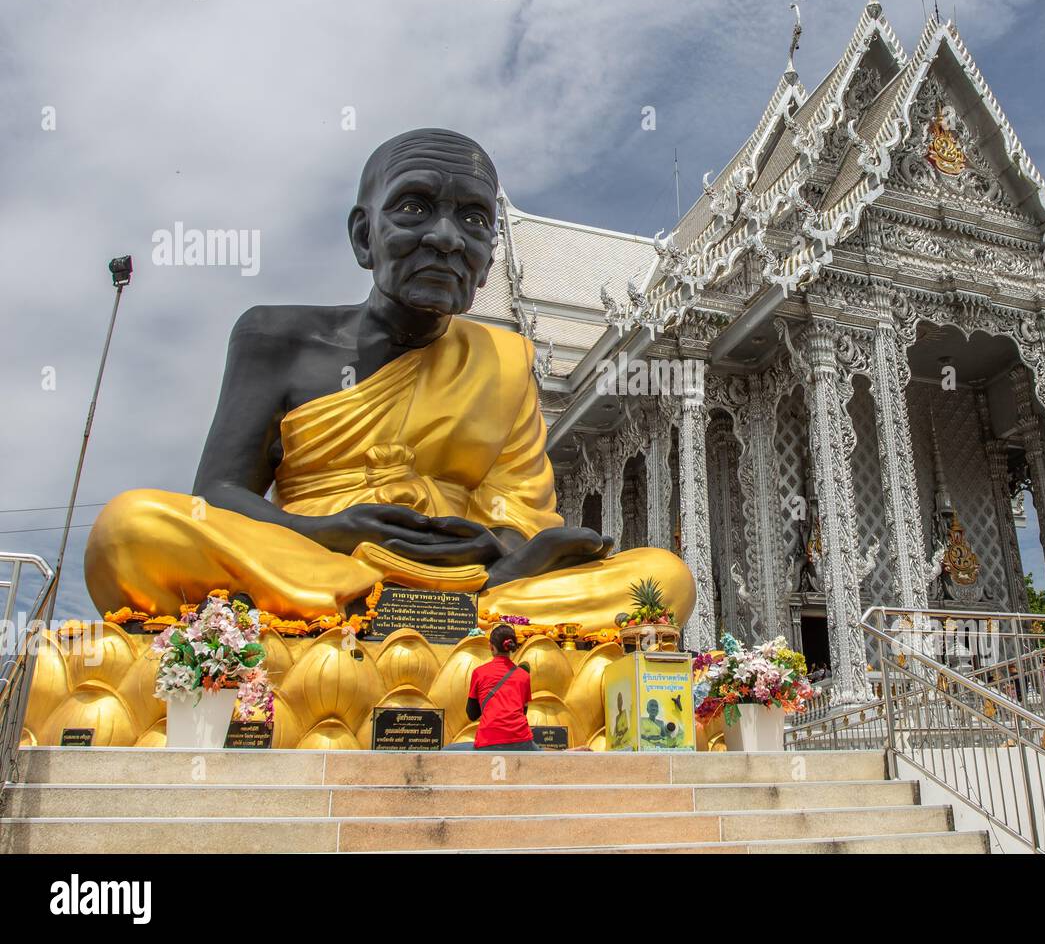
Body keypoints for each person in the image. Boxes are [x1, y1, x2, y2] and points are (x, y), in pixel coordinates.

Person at [83, 128, 694, 630]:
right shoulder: (276, 336)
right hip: (310, 557)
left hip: (472, 581)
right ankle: (391, 619)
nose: (447, 238)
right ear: (362, 236)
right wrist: (325, 532)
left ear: (487, 258)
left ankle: (345, 626)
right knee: (131, 528)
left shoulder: (506, 359)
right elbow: (216, 495)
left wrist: (511, 550)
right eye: (414, 207)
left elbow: (520, 510)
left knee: (661, 578)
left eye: (475, 220)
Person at [464, 624, 538, 751]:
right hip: (521, 740)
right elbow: (523, 712)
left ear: (491, 647)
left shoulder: (479, 672)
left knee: (451, 749)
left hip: (488, 739)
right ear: (511, 646)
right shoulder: (524, 676)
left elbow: (472, 714)